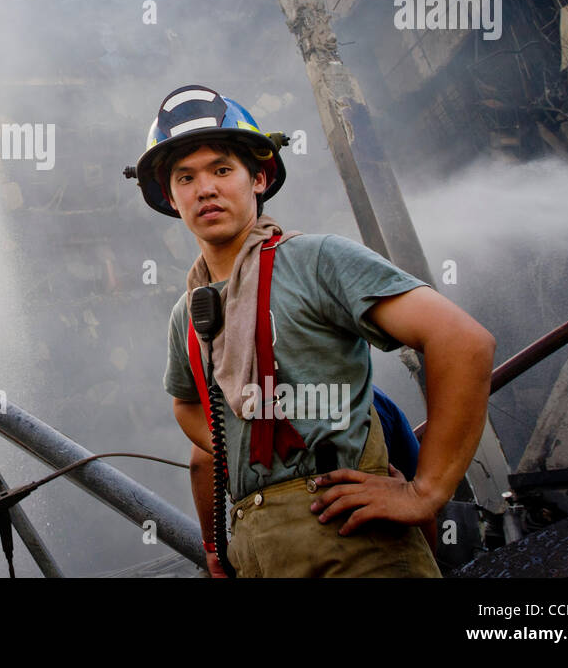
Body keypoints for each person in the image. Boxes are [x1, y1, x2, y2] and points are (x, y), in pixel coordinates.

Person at [124, 85, 495, 578]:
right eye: (185, 178)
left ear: (258, 177)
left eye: (221, 170)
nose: (205, 189)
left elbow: (463, 342)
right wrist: (221, 543)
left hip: (351, 543)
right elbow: (191, 414)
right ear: (170, 198)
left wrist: (425, 492)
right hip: (255, 550)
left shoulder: (317, 260)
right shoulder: (189, 312)